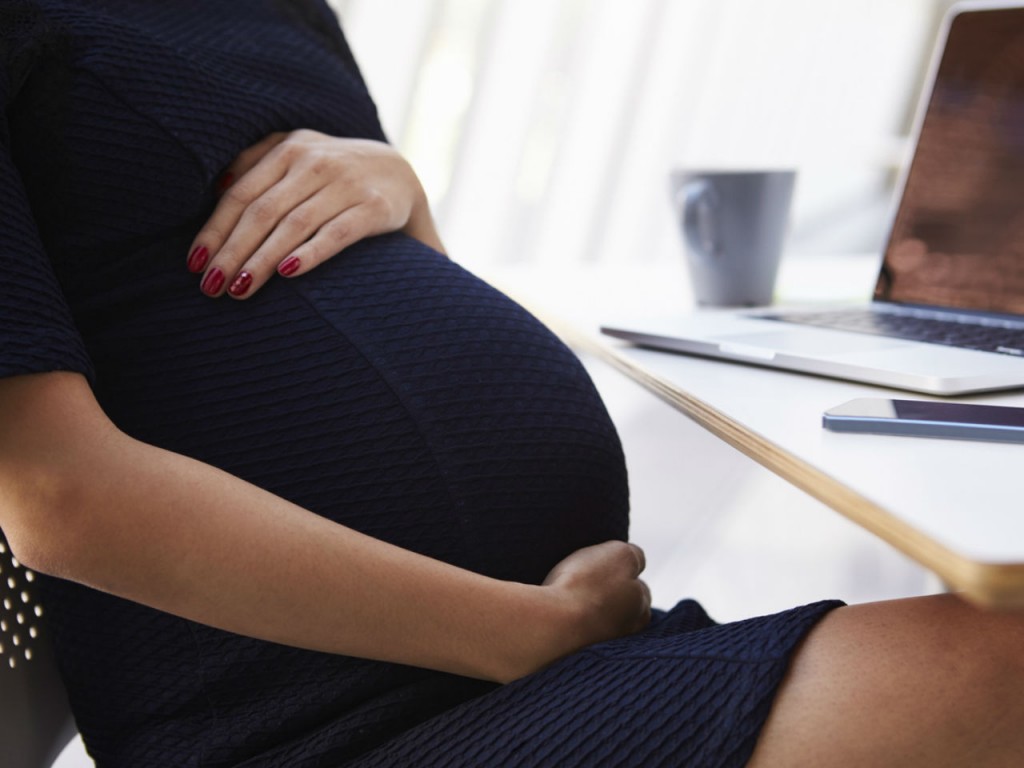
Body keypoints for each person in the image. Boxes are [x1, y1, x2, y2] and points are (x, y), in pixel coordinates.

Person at [0, 2, 1022, 766]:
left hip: (531, 655)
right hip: (333, 723)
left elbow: (372, 290)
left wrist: (399, 191)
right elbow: (56, 498)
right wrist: (520, 634)